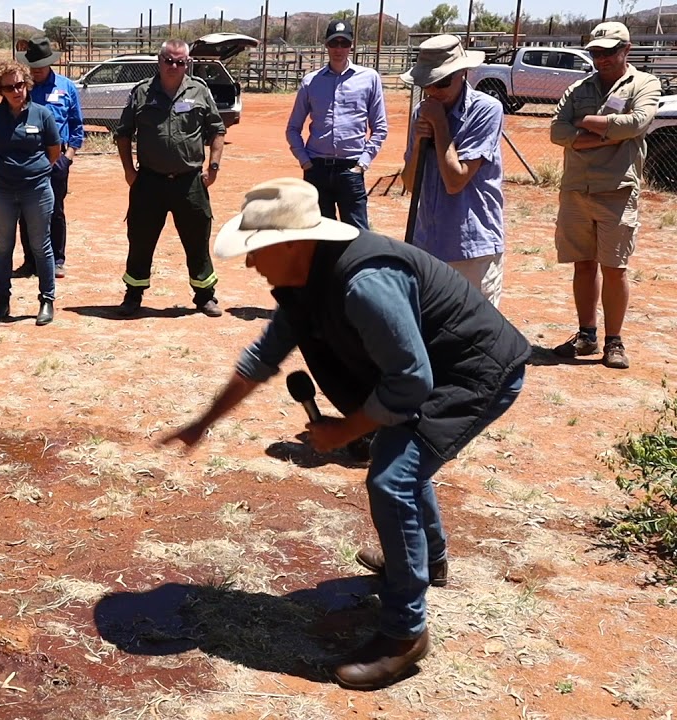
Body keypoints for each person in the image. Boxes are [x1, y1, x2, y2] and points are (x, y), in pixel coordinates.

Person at [162, 178, 530, 690]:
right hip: (427, 373)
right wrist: (204, 421)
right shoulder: (303, 285)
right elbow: (260, 361)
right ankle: (430, 561)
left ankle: (405, 634)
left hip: (473, 373)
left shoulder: (363, 282)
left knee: (392, 477)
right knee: (397, 459)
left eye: (256, 250)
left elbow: (411, 381)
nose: (249, 264)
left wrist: (347, 429)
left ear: (294, 243)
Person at [550, 21, 661, 370]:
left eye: (609, 52)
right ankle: (586, 335)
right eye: (596, 52)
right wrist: (609, 134)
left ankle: (614, 341)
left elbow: (638, 123)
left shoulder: (645, 83)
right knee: (583, 265)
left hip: (617, 190)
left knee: (615, 268)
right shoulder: (579, 87)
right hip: (576, 189)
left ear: (626, 49)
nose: (601, 59)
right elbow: (557, 131)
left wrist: (587, 123)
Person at [114, 39, 225, 318]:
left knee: (197, 239)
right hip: (149, 182)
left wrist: (212, 168)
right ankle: (133, 295)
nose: (174, 66)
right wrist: (129, 171)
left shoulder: (199, 91)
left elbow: (217, 131)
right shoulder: (141, 92)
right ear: (159, 60)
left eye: (180, 61)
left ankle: (204, 296)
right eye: (169, 60)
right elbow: (123, 133)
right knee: (140, 239)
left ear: (187, 63)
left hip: (190, 182)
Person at [401, 35, 506, 306]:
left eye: (442, 82)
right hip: (428, 243)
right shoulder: (421, 113)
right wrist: (420, 140)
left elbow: (456, 180)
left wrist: (439, 127)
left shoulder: (485, 110)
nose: (434, 91)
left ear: (463, 73)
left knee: (475, 335)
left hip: (471, 248)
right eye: (427, 84)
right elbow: (411, 184)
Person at [286, 19, 388, 229]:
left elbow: (379, 127)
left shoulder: (369, 78)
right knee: (319, 235)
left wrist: (362, 164)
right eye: (334, 43)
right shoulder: (310, 81)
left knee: (359, 236)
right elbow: (293, 128)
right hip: (317, 169)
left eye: (344, 43)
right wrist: (305, 161)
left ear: (351, 46)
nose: (339, 49)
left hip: (350, 169)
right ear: (326, 45)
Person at [0, 60, 59, 326]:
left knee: (41, 246)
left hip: (36, 189)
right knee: (3, 247)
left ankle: (46, 301)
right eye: (9, 87)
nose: (16, 91)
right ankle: (2, 301)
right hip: (2, 190)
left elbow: (53, 152)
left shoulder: (42, 114)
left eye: (20, 84)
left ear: (27, 83)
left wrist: (32, 172)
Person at [13, 36, 83, 279]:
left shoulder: (66, 87)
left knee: (55, 210)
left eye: (41, 66)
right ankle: (30, 261)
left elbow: (76, 125)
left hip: (57, 158)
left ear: (50, 64)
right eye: (33, 67)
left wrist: (68, 157)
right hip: (27, 159)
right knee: (25, 210)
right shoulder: (22, 89)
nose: (37, 71)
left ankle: (57, 259)